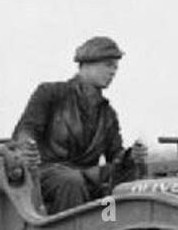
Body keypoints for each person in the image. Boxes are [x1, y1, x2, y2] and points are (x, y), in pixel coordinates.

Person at [12, 35, 147, 213]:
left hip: (86, 176)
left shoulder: (108, 114)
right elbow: (27, 129)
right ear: (86, 65)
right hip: (46, 173)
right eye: (108, 65)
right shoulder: (51, 93)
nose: (113, 72)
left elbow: (116, 155)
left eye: (115, 67)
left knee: (127, 178)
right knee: (72, 181)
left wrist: (132, 156)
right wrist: (26, 147)